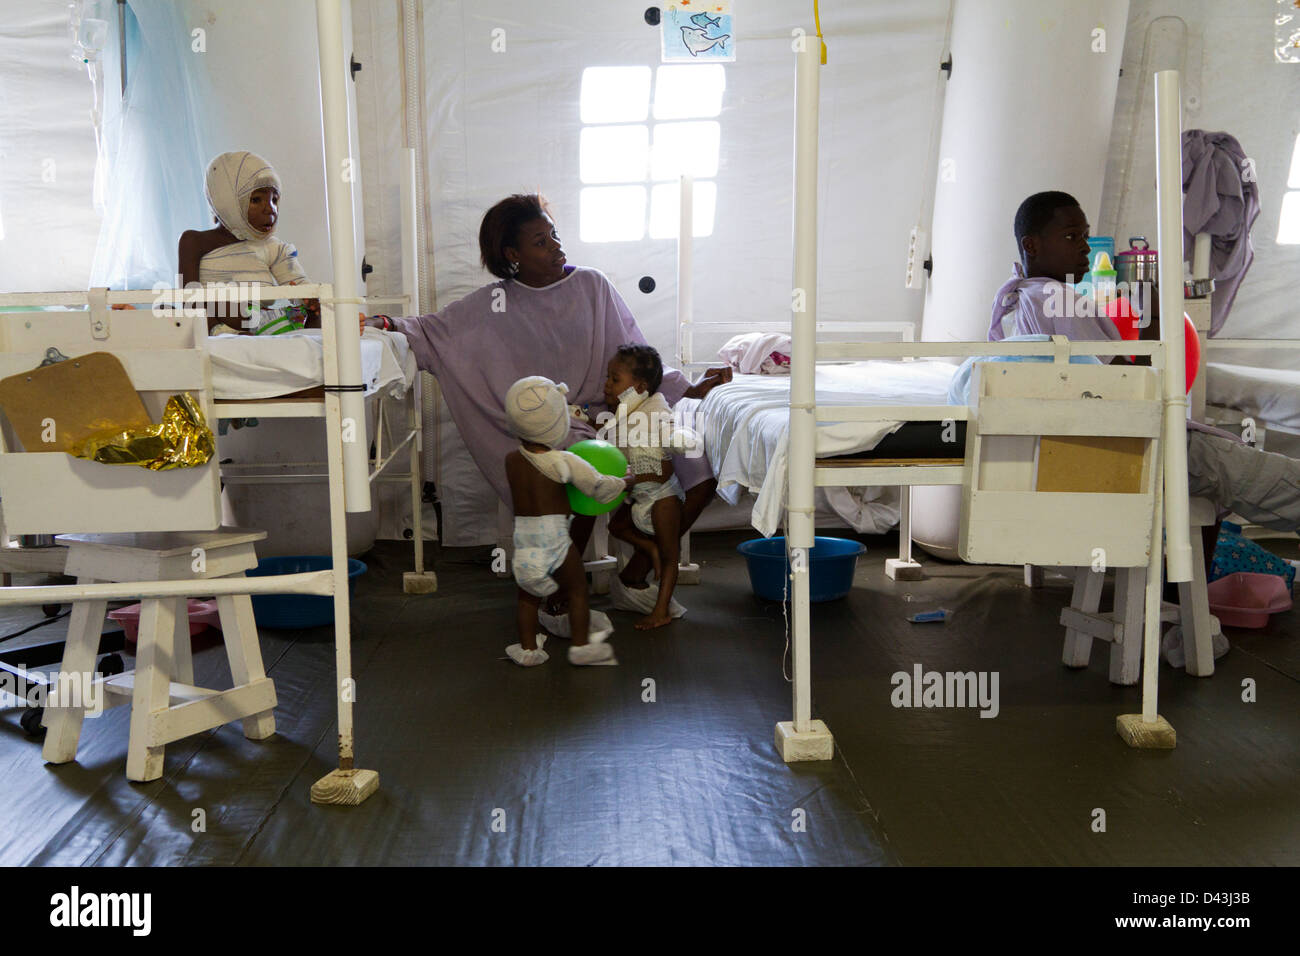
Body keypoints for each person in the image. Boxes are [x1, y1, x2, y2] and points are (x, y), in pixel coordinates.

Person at [363, 194, 732, 622]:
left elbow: (635, 351)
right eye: (541, 241)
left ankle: (635, 574)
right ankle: (560, 590)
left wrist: (685, 388)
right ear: (512, 254)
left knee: (697, 470)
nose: (556, 246)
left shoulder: (592, 285)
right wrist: (383, 323)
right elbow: (431, 331)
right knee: (573, 473)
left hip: (618, 415)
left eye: (554, 235)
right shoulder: (494, 303)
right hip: (560, 425)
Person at [986, 190, 1300, 533]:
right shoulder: (1057, 299)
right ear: (1031, 246)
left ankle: (1187, 583)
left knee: (1238, 472)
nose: (1086, 248)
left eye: (1087, 236)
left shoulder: (1015, 301)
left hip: (1079, 445)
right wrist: (1153, 317)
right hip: (1128, 442)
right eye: (1072, 236)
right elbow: (1132, 386)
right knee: (1265, 478)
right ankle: (1184, 583)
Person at [503, 376, 631, 667]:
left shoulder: (511, 460)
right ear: (557, 422)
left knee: (527, 597)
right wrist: (626, 481)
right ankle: (582, 647)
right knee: (576, 590)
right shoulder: (563, 461)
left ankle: (528, 651)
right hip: (555, 539)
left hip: (524, 539)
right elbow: (598, 486)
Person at [600, 345, 701, 629]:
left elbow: (667, 428)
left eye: (614, 379)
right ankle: (650, 549)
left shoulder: (655, 408)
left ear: (640, 387)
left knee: (670, 558)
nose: (607, 384)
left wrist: (677, 437)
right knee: (615, 528)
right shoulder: (621, 413)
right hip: (638, 497)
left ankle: (661, 611)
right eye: (607, 377)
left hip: (661, 498)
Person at [178, 150, 319, 334]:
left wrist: (310, 301)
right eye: (256, 200)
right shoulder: (194, 241)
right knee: (218, 302)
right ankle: (227, 334)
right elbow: (189, 300)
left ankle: (342, 325)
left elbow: (300, 286)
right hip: (219, 321)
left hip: (265, 319)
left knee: (320, 311)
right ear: (226, 200)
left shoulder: (274, 247)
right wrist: (214, 326)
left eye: (274, 200)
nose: (270, 209)